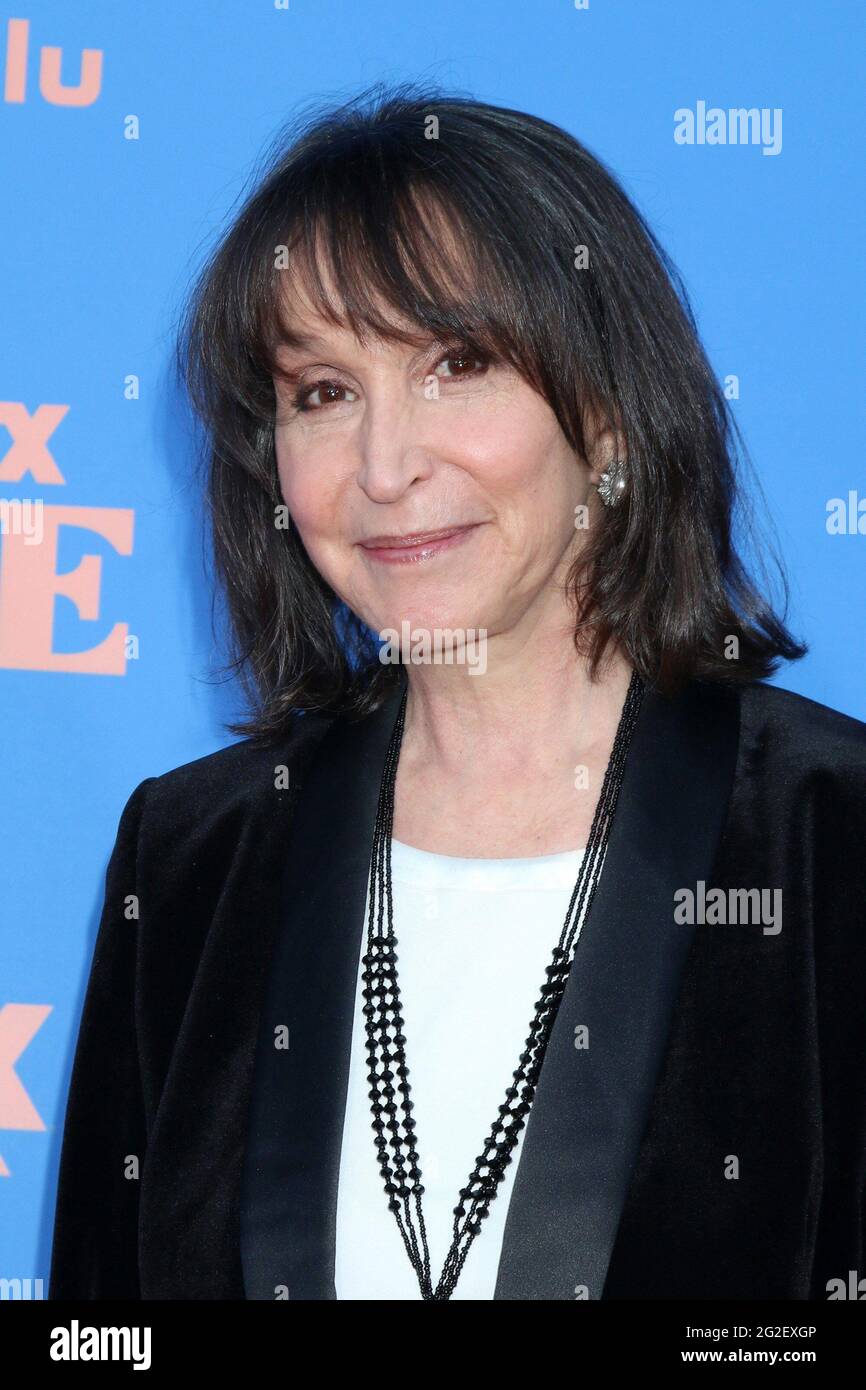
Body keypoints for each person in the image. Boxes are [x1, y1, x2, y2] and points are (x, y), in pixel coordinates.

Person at [48, 82, 866, 1302]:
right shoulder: (189, 858)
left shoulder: (831, 837)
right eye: (320, 392)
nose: (383, 467)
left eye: (458, 363)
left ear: (608, 414)